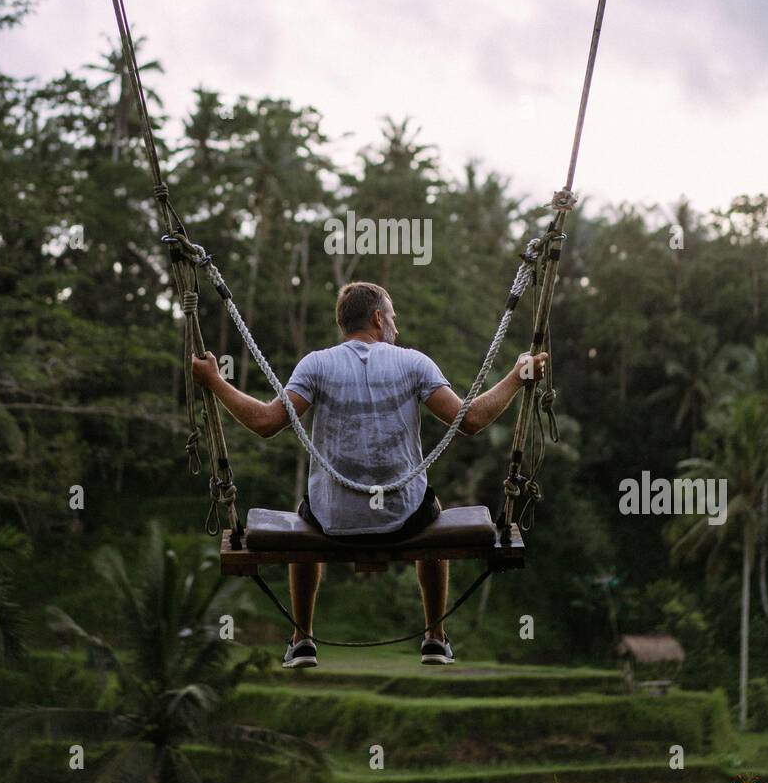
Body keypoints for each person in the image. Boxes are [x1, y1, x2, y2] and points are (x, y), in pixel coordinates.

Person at [192, 281, 546, 669]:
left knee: (304, 514)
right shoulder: (413, 362)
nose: (396, 326)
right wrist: (517, 376)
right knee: (432, 506)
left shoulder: (317, 364)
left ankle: (302, 638)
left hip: (333, 522)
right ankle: (434, 636)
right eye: (392, 317)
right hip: (404, 521)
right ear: (378, 318)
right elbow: (471, 420)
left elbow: (265, 422)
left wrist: (214, 381)